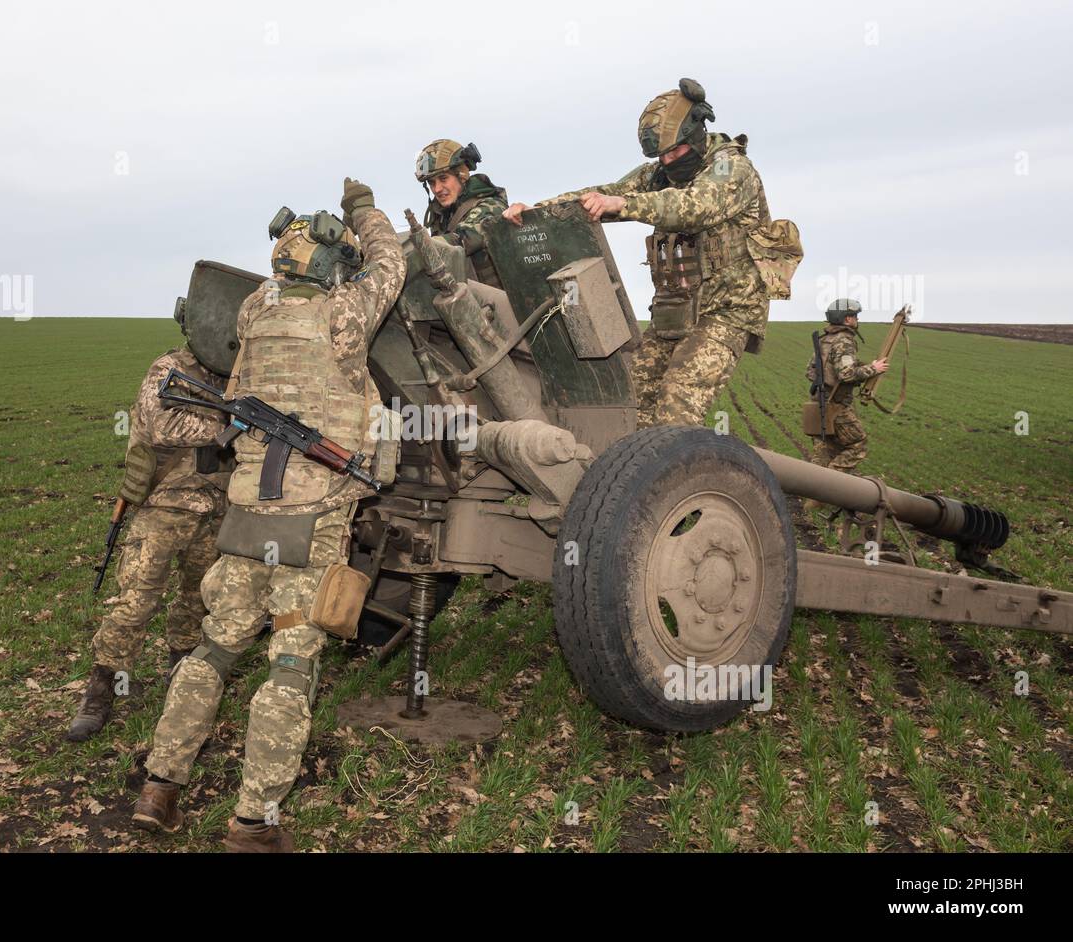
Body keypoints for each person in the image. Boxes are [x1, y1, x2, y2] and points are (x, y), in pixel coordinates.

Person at [131, 178, 406, 852]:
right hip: (310, 521)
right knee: (290, 662)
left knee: (216, 646)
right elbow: (391, 264)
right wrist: (363, 211)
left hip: (246, 513)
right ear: (328, 272)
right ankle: (254, 823)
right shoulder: (343, 317)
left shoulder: (255, 313)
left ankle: (160, 787)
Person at [503, 79, 802, 427]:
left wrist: (623, 204)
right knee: (630, 404)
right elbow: (602, 193)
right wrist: (534, 211)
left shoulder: (730, 169)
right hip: (674, 311)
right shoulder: (661, 174)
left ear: (697, 135)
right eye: (661, 155)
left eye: (675, 151)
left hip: (726, 311)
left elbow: (694, 206)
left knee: (676, 408)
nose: (668, 160)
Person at [67, 316, 231, 742]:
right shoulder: (169, 368)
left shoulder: (239, 375)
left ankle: (179, 669)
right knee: (136, 601)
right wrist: (230, 427)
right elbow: (163, 426)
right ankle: (101, 689)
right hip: (165, 506)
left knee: (198, 599)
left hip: (216, 508)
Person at [805, 298, 888, 482]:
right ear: (847, 319)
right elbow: (846, 374)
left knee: (823, 452)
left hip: (817, 402)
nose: (857, 319)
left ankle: (811, 494)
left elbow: (809, 371)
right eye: (855, 315)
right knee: (858, 444)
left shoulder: (824, 339)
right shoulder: (844, 341)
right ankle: (830, 485)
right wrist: (874, 369)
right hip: (837, 406)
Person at [415, 139, 508, 289]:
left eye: (443, 178)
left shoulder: (490, 205)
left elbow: (463, 239)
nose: (437, 189)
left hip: (500, 301)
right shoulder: (443, 216)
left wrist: (419, 247)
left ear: (462, 175)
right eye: (432, 183)